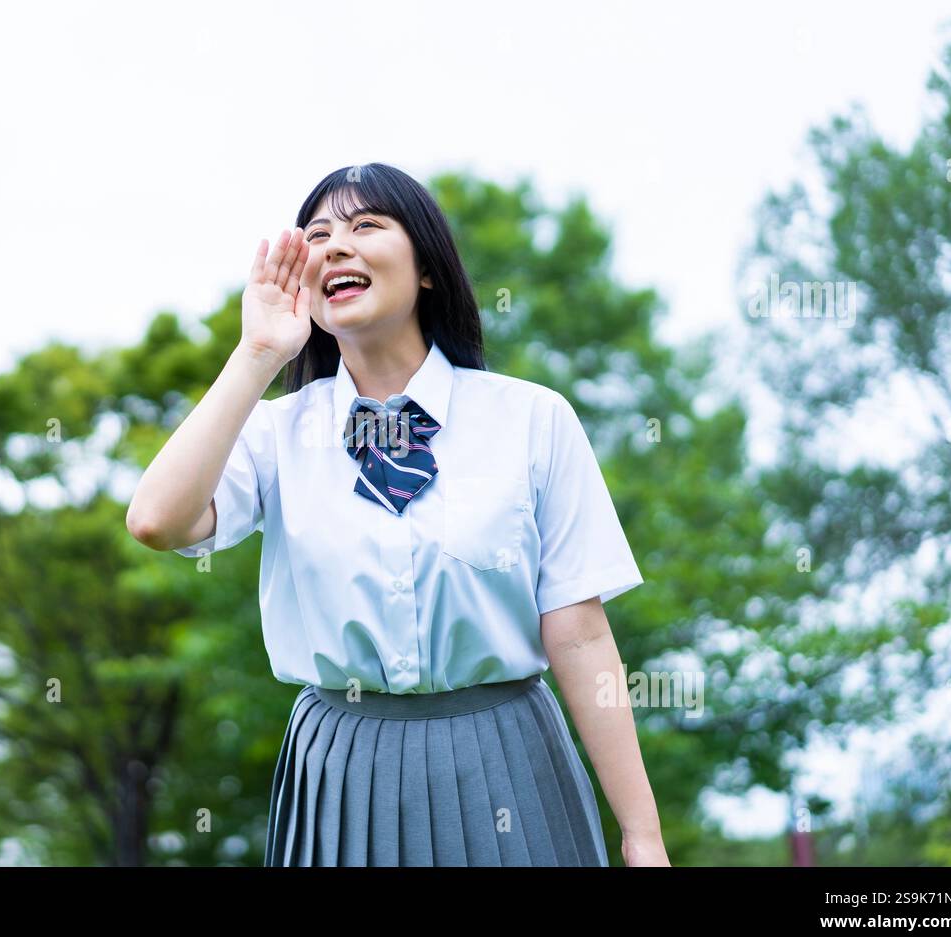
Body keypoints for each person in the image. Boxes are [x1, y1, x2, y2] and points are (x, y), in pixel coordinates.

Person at [127, 162, 670, 867]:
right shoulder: (274, 432)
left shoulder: (531, 419)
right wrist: (256, 353)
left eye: (366, 226)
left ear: (427, 271)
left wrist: (643, 835)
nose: (335, 246)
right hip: (341, 772)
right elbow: (158, 522)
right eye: (318, 234)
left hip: (507, 756)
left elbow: (579, 636)